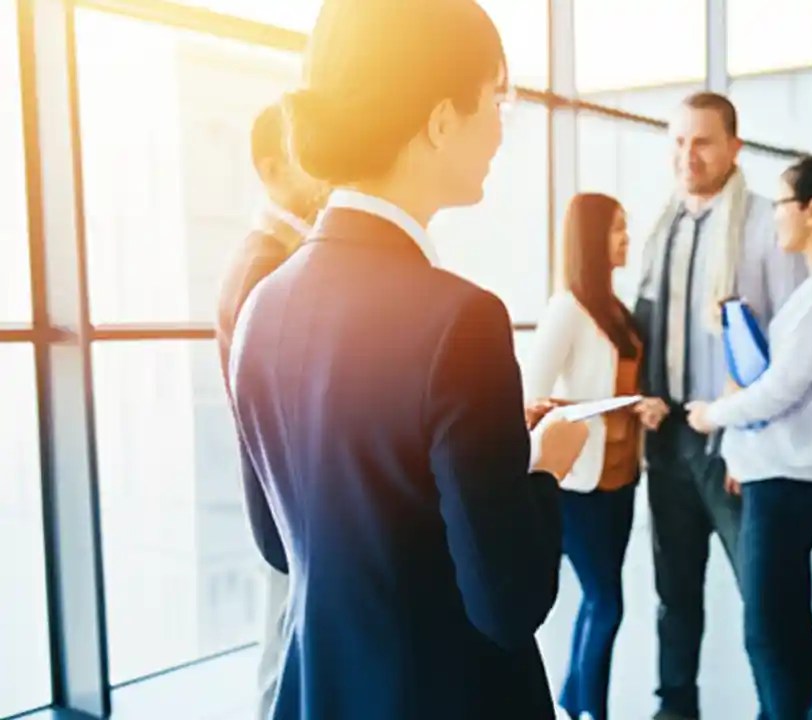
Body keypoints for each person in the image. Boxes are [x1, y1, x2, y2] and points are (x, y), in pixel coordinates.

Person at [226, 2, 588, 718]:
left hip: (322, 693)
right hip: (448, 694)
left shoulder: (262, 305)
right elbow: (507, 603)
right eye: (494, 98)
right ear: (440, 118)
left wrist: (470, 449)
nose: (499, 128)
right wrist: (542, 465)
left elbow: (280, 540)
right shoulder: (460, 320)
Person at [683, 155, 812, 720]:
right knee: (782, 630)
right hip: (785, 480)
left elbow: (782, 388)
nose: (774, 221)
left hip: (787, 486)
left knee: (769, 635)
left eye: (782, 206)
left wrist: (714, 414)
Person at [633, 91, 808, 720]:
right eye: (678, 141)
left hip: (734, 442)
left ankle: (785, 710)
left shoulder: (765, 225)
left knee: (763, 599)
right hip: (671, 437)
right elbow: (647, 329)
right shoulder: (662, 228)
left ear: (735, 147)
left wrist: (753, 442)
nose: (688, 155)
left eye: (702, 141)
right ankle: (674, 708)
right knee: (673, 594)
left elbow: (790, 345)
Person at [523, 193, 670, 720]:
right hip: (580, 485)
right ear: (591, 238)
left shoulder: (615, 309)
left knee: (599, 600)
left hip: (621, 478)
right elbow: (531, 398)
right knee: (607, 603)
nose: (626, 239)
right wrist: (619, 407)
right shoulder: (567, 308)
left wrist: (639, 409)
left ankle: (571, 704)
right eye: (616, 230)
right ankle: (592, 714)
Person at [214, 101, 329, 720]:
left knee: (285, 651)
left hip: (283, 503)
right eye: (304, 155)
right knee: (284, 660)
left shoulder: (269, 255)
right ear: (270, 169)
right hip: (289, 507)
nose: (324, 171)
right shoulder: (268, 266)